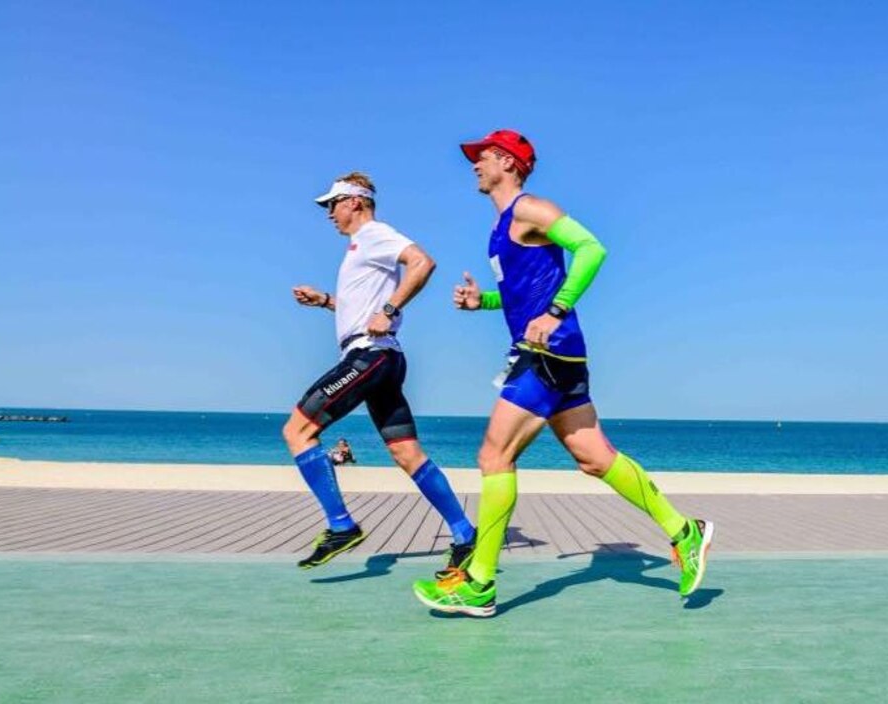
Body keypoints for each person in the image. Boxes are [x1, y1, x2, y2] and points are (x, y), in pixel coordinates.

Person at [412, 131, 713, 617]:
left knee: (494, 454)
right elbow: (522, 295)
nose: (473, 165)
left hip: (548, 352)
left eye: (482, 157)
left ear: (507, 163)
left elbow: (592, 249)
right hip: (557, 353)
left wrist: (557, 310)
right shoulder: (501, 227)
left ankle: (480, 583)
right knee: (594, 458)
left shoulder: (531, 208)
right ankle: (685, 531)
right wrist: (483, 301)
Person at [283, 172, 475, 570]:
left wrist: (391, 310)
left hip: (369, 357)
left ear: (355, 201)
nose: (328, 213)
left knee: (297, 431)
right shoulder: (358, 247)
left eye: (332, 204)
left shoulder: (374, 234)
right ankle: (464, 533)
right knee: (407, 454)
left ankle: (341, 525)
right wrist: (324, 302)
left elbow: (423, 263)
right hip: (381, 357)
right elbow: (361, 312)